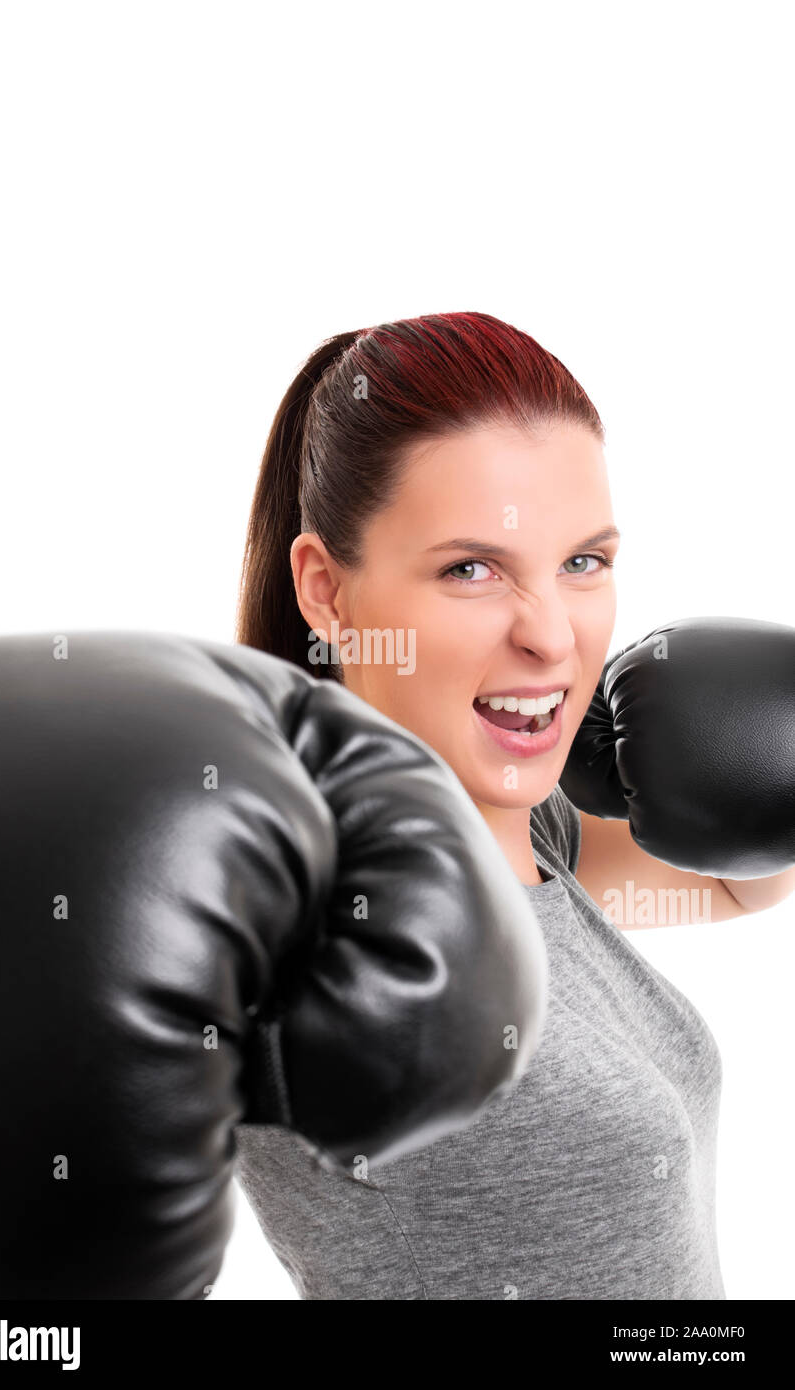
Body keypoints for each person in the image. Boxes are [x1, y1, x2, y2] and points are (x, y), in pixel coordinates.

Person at [232, 311, 795, 1300]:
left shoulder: (521, 833)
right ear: (325, 590)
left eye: (581, 561)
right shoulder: (307, 911)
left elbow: (735, 879)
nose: (551, 637)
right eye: (471, 568)